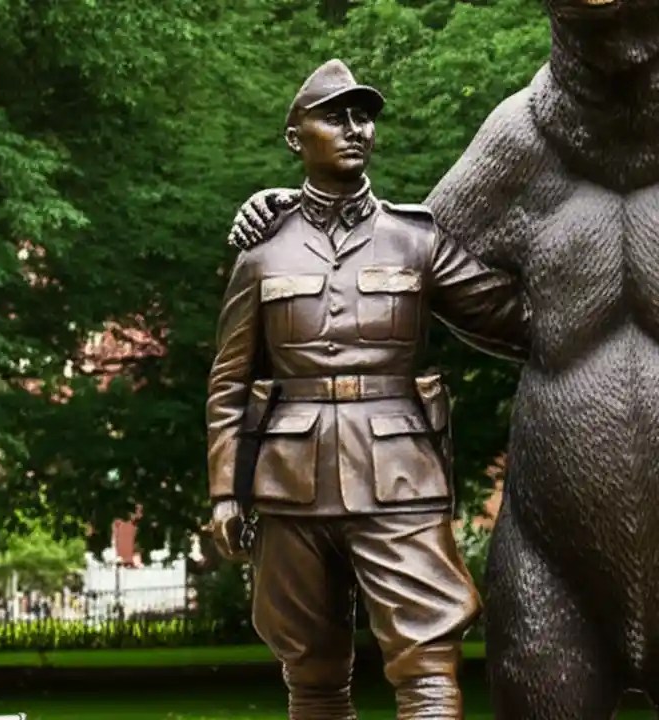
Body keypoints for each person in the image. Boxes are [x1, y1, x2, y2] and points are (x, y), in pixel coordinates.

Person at [206, 58, 529, 720]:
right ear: (295, 136)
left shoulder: (416, 238)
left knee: (427, 657)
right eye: (335, 116)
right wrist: (222, 492)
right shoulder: (261, 249)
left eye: (364, 116)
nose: (356, 129)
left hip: (400, 476)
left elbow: (515, 320)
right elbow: (228, 380)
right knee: (311, 666)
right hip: (289, 481)